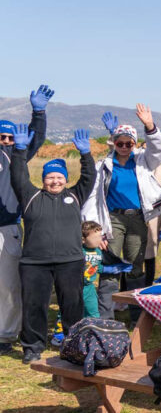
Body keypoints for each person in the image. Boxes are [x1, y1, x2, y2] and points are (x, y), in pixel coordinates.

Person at [11, 127, 95, 364]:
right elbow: (17, 175)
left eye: (59, 177)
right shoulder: (30, 197)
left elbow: (89, 178)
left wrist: (86, 155)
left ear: (65, 179)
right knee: (34, 305)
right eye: (50, 177)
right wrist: (19, 150)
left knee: (72, 305)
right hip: (34, 263)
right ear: (43, 179)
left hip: (70, 261)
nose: (55, 181)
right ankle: (32, 346)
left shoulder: (76, 195)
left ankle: (73, 344)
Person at [82, 104, 161, 297]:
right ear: (114, 143)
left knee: (135, 262)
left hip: (137, 218)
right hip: (113, 219)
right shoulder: (103, 166)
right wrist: (95, 228)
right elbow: (93, 197)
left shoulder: (143, 161)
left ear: (135, 144)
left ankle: (134, 311)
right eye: (121, 143)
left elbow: (158, 150)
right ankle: (107, 309)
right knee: (110, 262)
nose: (125, 147)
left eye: (129, 143)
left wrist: (150, 126)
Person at [0, 84, 53, 353]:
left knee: (8, 285)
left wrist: (39, 111)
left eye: (10, 138)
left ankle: (6, 335)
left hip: (7, 226)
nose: (7, 142)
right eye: (2, 137)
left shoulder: (16, 157)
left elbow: (36, 139)